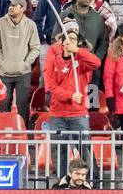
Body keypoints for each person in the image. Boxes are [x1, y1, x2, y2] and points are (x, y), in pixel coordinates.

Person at [42, 25, 101, 176]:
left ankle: (92, 180)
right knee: (59, 149)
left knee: (85, 147)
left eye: (74, 38)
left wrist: (78, 51)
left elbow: (97, 63)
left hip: (78, 113)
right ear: (61, 42)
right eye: (68, 38)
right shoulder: (53, 60)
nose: (71, 41)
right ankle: (62, 180)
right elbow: (50, 86)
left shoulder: (82, 59)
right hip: (58, 113)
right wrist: (69, 95)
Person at [0, 0, 39, 123]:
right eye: (10, 5)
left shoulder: (30, 25)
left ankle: (24, 136)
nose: (10, 8)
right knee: (3, 104)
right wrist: (1, 63)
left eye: (14, 5)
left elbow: (35, 47)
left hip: (23, 73)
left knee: (22, 105)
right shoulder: (0, 22)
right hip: (4, 72)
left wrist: (26, 63)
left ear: (22, 8)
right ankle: (2, 136)